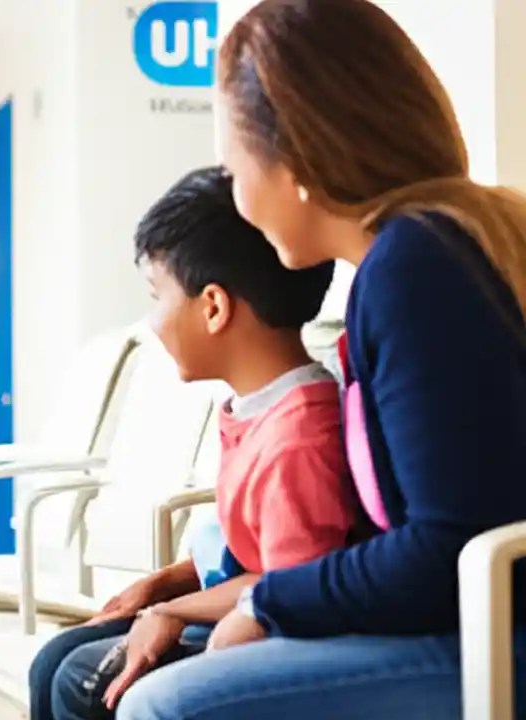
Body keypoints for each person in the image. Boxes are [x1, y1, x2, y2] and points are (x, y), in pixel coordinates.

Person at [112, 1, 526, 718]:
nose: (238, 201)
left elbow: (446, 548)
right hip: (477, 616)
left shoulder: (412, 268)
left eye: (237, 169)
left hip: (494, 638)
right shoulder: (448, 241)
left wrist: (269, 604)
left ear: (296, 161)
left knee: (163, 705)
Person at [28, 166, 360, 719]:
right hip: (240, 606)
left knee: (82, 683)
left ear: (213, 306)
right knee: (55, 660)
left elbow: (292, 582)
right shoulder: (258, 409)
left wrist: (176, 609)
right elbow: (250, 547)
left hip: (272, 633)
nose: (152, 321)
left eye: (157, 294)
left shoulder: (300, 435)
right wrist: (158, 588)